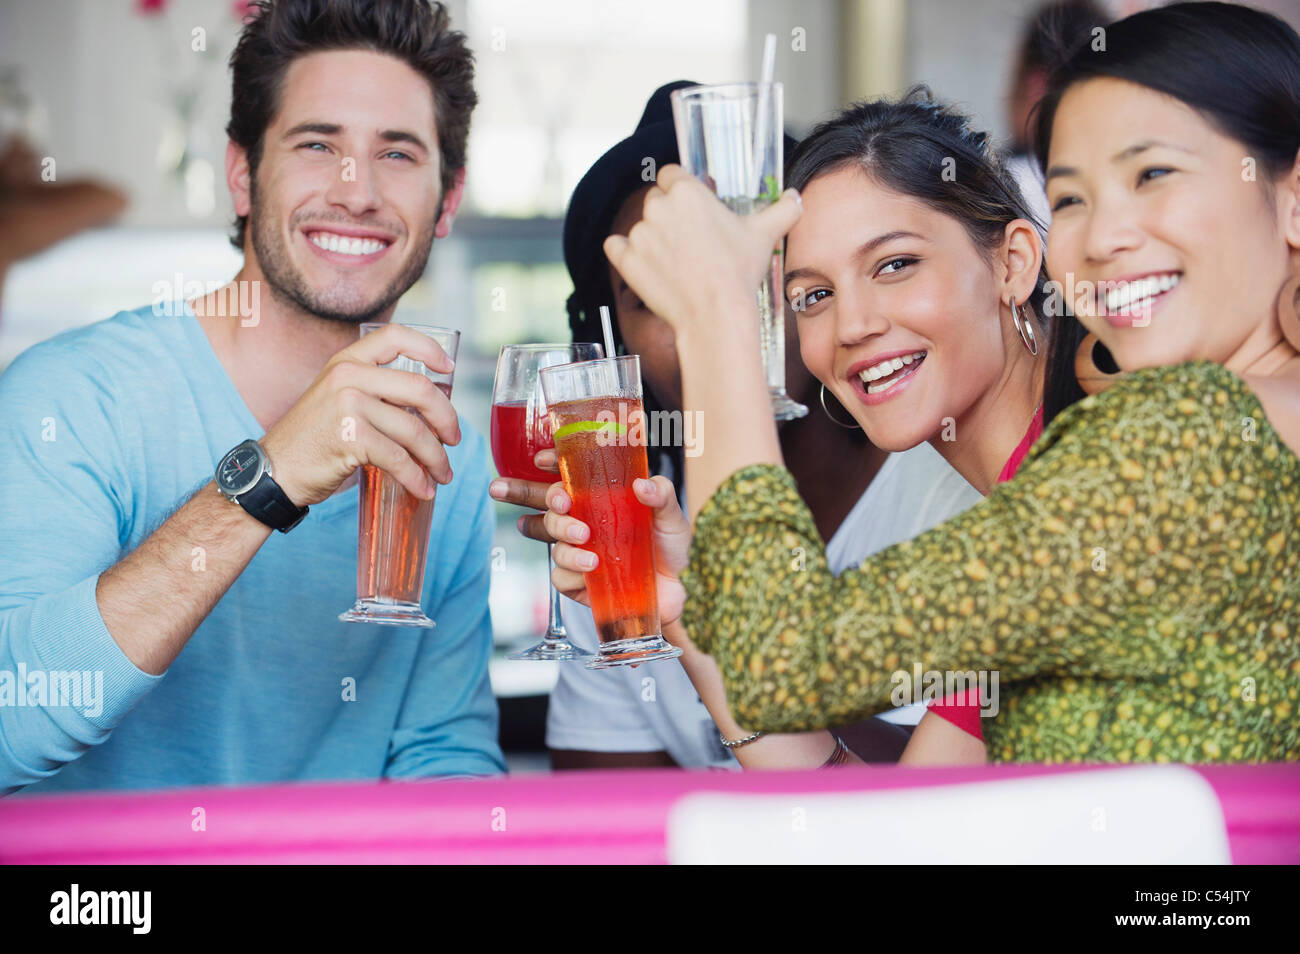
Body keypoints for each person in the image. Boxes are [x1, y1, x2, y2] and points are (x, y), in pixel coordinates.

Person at [552, 1, 1300, 762]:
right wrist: (687, 612)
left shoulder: (1187, 437)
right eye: (1072, 196)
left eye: (1155, 174)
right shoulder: (1054, 501)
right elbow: (899, 826)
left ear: (1013, 262)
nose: (1105, 235)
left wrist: (717, 319)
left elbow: (780, 662)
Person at [0, 0, 505, 796]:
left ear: (447, 202)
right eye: (317, 145)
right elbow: (12, 723)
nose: (357, 191)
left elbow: (442, 748)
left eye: (399, 154)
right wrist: (270, 476)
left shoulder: (449, 458)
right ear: (242, 174)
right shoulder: (71, 400)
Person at [490, 82, 983, 770]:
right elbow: (611, 812)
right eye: (663, 295)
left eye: (748, 274)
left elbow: (919, 806)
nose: (710, 315)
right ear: (614, 345)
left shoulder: (979, 493)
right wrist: (693, 618)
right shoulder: (627, 536)